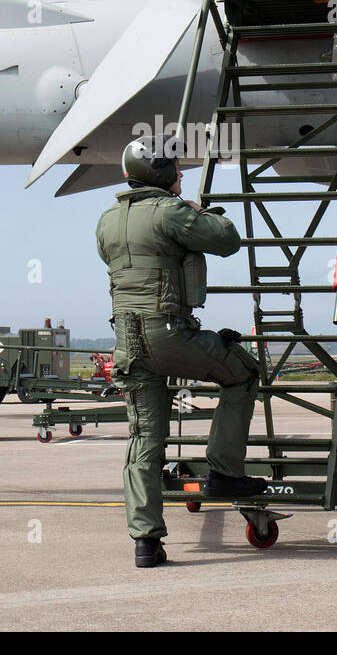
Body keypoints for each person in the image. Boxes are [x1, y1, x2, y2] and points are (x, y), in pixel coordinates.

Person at [95, 135, 266, 569]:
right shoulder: (171, 211)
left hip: (127, 344)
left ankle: (145, 542)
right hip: (169, 334)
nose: (181, 174)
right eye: (176, 169)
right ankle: (225, 472)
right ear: (163, 173)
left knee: (143, 439)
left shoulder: (108, 219)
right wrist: (196, 210)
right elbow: (226, 240)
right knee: (243, 373)